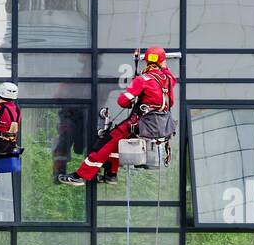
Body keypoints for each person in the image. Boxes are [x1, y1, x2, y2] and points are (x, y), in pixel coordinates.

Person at [58, 48, 175, 186]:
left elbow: (123, 101)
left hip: (137, 122)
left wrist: (133, 98)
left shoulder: (142, 80)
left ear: (147, 61)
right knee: (116, 145)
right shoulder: (168, 79)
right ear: (162, 62)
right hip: (157, 123)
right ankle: (111, 175)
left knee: (105, 143)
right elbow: (171, 100)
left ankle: (81, 176)